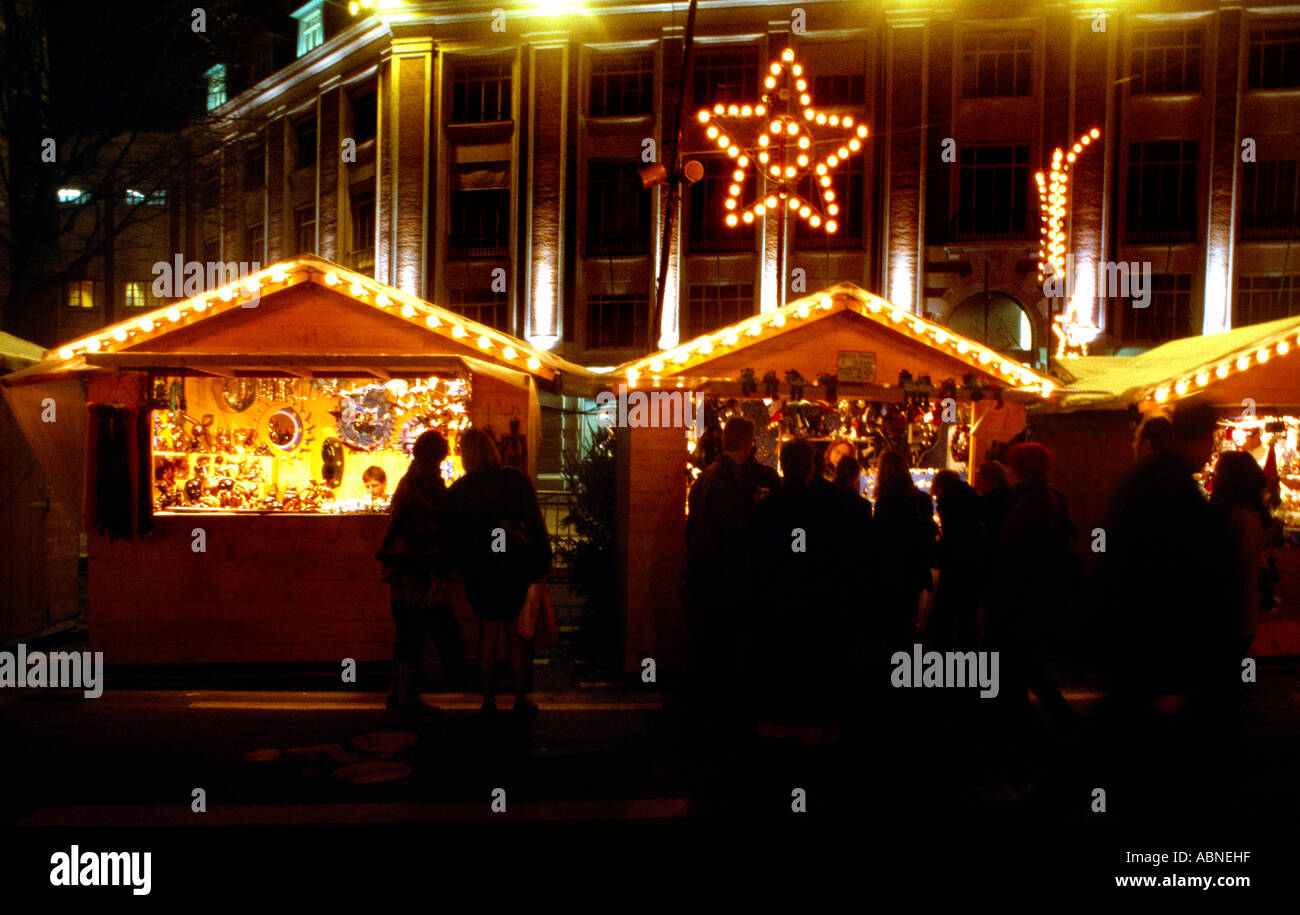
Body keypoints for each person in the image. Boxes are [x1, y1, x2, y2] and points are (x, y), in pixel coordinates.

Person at [1097, 399, 1237, 820]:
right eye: (1211, 438)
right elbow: (1174, 584)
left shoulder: (1145, 483)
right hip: (1162, 661)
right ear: (1198, 438)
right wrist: (1173, 676)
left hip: (1140, 657)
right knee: (1162, 782)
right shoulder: (1173, 492)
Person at [444, 427, 552, 718]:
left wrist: (460, 568)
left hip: (480, 572)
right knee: (515, 635)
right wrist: (543, 563)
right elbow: (534, 523)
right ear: (492, 448)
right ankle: (519, 699)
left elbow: (453, 537)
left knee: (487, 634)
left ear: (465, 455)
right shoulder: (515, 480)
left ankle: (488, 699)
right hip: (514, 567)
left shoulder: (460, 490)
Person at [375, 430, 465, 713]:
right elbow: (431, 533)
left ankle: (398, 691)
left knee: (406, 631)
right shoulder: (429, 484)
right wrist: (438, 575)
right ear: (440, 455)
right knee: (417, 631)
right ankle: (409, 696)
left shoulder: (408, 479)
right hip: (417, 569)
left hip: (399, 566)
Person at [990, 443, 1079, 729]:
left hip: (1021, 596)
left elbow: (1020, 552)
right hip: (1033, 595)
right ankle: (1039, 716)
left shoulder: (1030, 503)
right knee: (1022, 662)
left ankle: (1035, 719)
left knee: (1019, 660)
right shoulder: (1046, 498)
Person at [871, 451, 938, 657]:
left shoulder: (884, 503)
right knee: (908, 617)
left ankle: (891, 662)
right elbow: (930, 532)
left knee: (891, 620)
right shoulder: (921, 498)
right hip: (915, 567)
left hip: (890, 568)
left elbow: (880, 538)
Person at [1210, 451, 1273, 658]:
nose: (1212, 476)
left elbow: (1234, 567)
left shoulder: (1239, 518)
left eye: (1217, 472)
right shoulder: (1250, 514)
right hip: (1241, 615)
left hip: (1230, 615)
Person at [927, 470, 984, 654]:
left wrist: (936, 551)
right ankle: (969, 660)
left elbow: (951, 536)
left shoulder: (948, 501)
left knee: (945, 613)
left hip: (955, 564)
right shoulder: (970, 495)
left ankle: (941, 659)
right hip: (974, 561)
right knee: (967, 617)